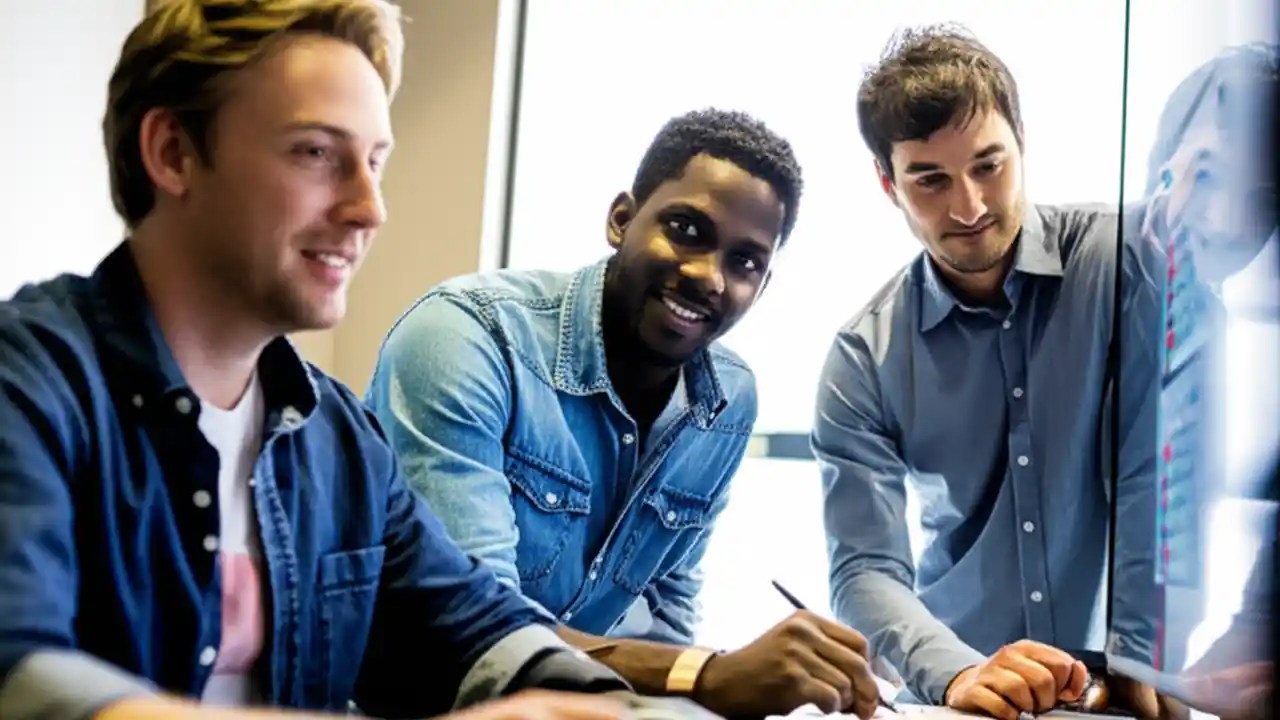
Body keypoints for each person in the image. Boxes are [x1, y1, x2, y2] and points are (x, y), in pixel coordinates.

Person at [0, 2, 705, 718]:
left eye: (374, 162)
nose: (370, 208)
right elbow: (22, 681)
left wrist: (620, 709)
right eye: (316, 153)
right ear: (173, 152)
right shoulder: (28, 381)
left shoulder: (335, 436)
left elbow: (474, 630)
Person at [364, 108, 880, 719]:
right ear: (621, 220)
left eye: (744, 263)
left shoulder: (727, 402)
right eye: (687, 229)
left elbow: (662, 626)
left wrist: (718, 683)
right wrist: (706, 673)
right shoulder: (467, 338)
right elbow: (473, 632)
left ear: (762, 286)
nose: (707, 277)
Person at [811, 24, 1171, 720]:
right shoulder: (862, 358)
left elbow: (1155, 474)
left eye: (988, 165)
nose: (969, 206)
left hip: (1129, 689)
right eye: (930, 180)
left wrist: (1140, 650)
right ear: (888, 185)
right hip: (969, 693)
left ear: (1023, 144)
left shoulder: (1126, 263)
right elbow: (864, 568)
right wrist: (957, 675)